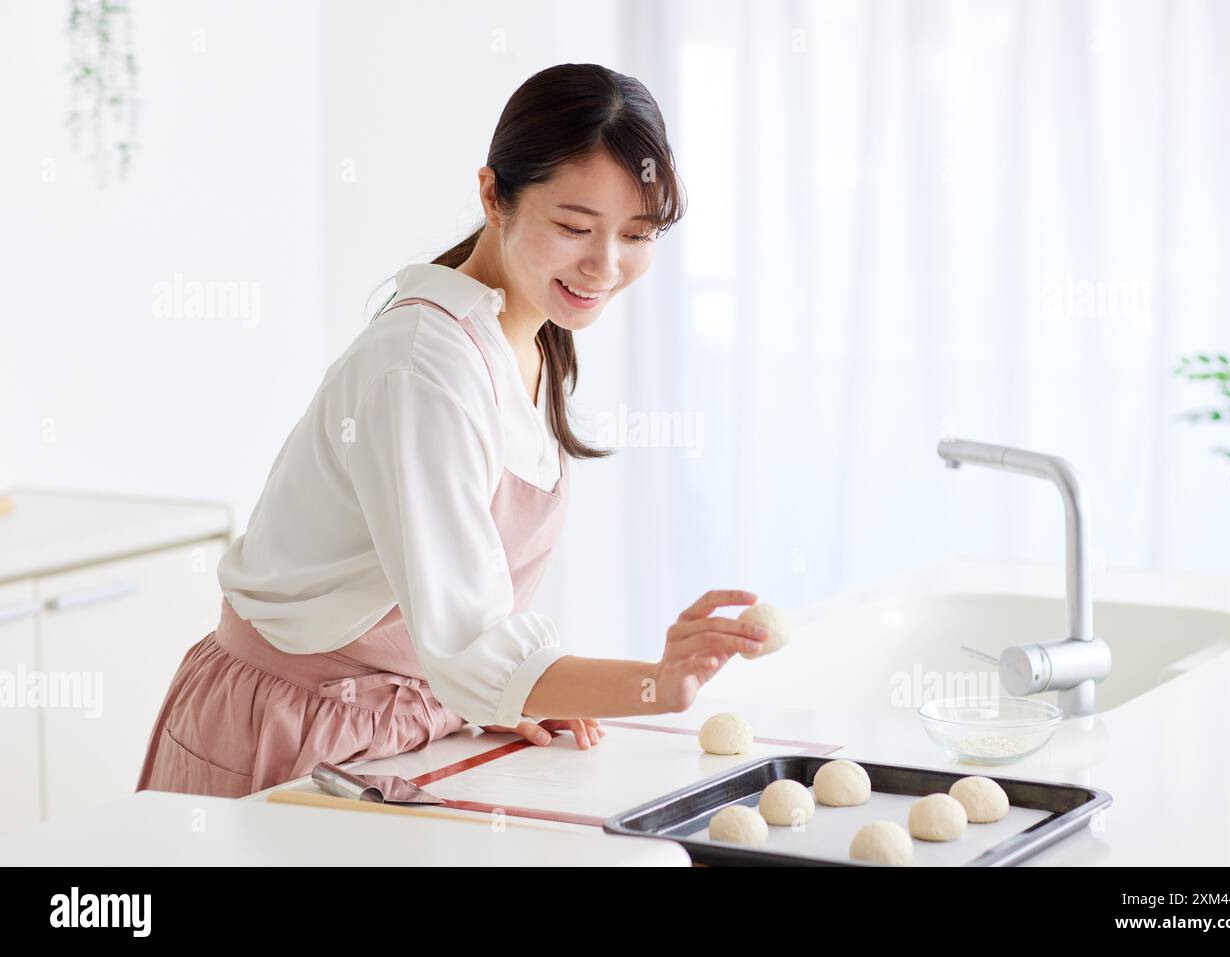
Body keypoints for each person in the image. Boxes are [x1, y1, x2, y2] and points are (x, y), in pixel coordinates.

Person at [136, 63, 769, 799]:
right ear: (493, 194)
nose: (605, 265)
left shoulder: (528, 339)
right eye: (574, 227)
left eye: (637, 233)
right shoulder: (423, 369)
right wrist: (657, 686)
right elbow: (471, 642)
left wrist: (513, 692)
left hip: (398, 725)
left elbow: (467, 631)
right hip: (293, 727)